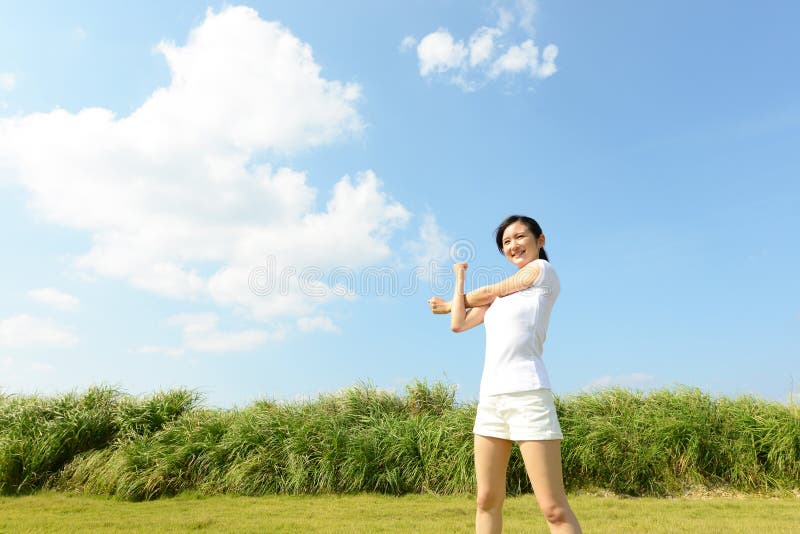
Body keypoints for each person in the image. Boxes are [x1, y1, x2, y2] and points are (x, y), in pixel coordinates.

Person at [428, 215, 582, 534]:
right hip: (492, 400)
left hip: (528, 394)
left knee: (552, 508)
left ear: (540, 240)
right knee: (486, 499)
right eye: (506, 242)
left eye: (519, 237)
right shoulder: (496, 302)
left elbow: (484, 293)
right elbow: (458, 324)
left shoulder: (542, 272)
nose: (512, 245)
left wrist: (447, 304)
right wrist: (458, 283)